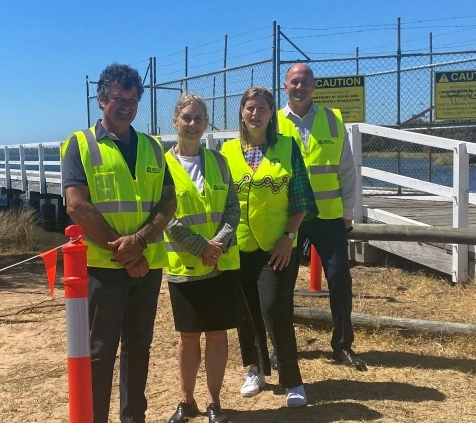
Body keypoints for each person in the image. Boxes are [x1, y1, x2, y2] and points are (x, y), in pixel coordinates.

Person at [61, 63, 177, 423]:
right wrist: (125, 252)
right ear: (101, 100)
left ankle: (134, 418)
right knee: (100, 351)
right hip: (102, 268)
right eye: (117, 98)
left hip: (147, 266)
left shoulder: (153, 147)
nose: (125, 105)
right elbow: (76, 204)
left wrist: (140, 241)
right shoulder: (79, 144)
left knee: (139, 347)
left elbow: (168, 202)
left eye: (132, 99)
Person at [220, 86, 318, 408]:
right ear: (241, 112)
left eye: (262, 108)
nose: (255, 114)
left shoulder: (288, 148)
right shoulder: (227, 152)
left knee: (275, 309)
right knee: (246, 312)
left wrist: (289, 237)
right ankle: (255, 369)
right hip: (238, 246)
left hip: (278, 246)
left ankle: (292, 379)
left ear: (271, 114)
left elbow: (302, 199)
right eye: (249, 108)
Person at [277, 63, 367, 371]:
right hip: (288, 218)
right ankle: (281, 348)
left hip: (329, 218)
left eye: (304, 81)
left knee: (340, 280)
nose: (299, 86)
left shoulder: (332, 119)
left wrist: (349, 212)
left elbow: (347, 171)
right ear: (284, 86)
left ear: (314, 86)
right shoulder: (273, 123)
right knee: (281, 285)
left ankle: (342, 345)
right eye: (293, 81)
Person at [163, 94, 246, 423]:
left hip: (220, 265)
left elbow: (232, 209)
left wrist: (218, 243)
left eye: (199, 118)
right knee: (187, 337)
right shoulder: (163, 165)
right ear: (175, 122)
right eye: (187, 118)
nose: (193, 124)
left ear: (206, 123)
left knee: (216, 334)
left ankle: (214, 402)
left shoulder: (219, 161)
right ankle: (186, 401)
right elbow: (163, 217)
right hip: (184, 267)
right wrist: (200, 247)